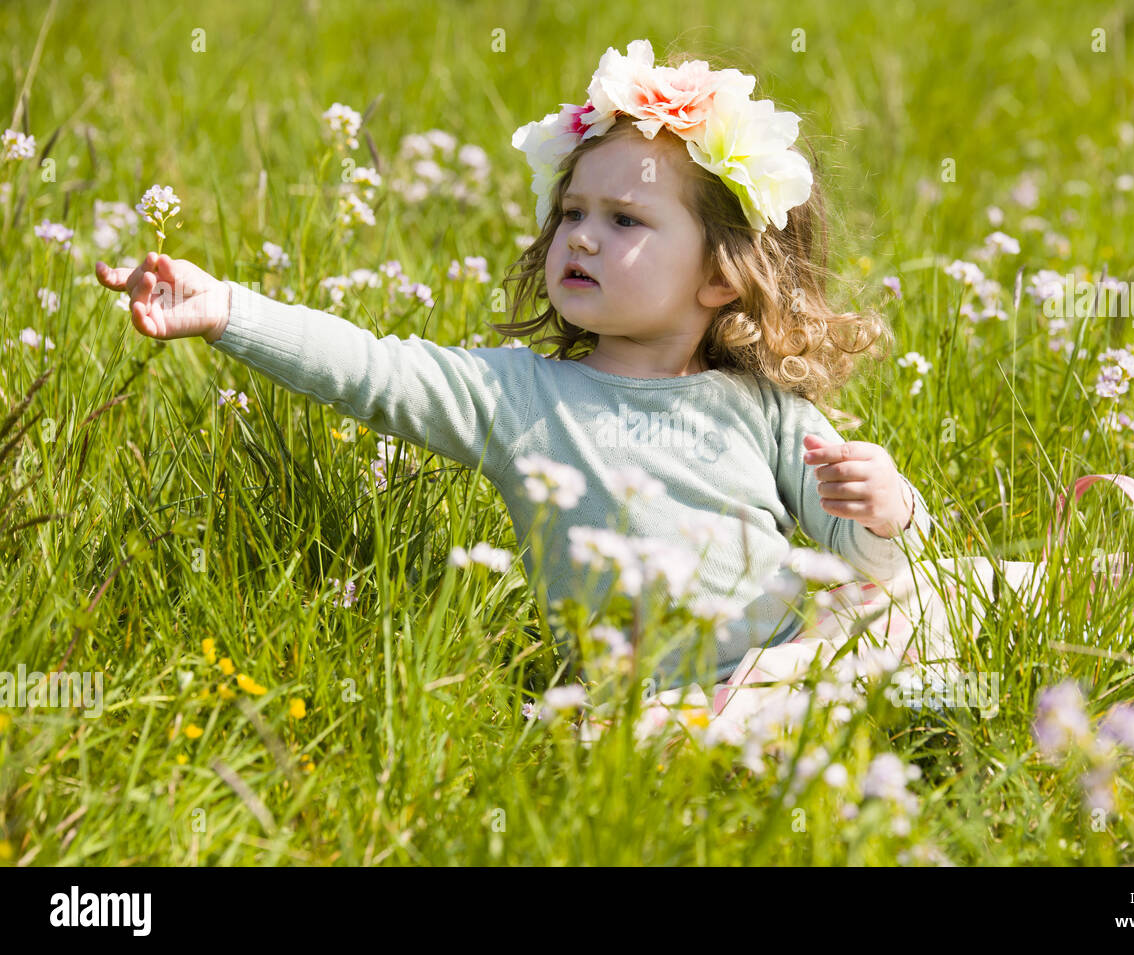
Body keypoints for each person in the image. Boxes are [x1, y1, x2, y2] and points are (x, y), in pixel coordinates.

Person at [93, 39, 934, 724]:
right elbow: (374, 370)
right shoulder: (521, 399)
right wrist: (229, 309)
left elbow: (858, 552)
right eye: (572, 213)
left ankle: (771, 707)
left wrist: (884, 506)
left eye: (624, 220)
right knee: (657, 729)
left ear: (722, 274)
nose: (582, 238)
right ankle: (733, 722)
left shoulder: (766, 408)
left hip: (789, 655)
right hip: (644, 698)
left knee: (933, 597)